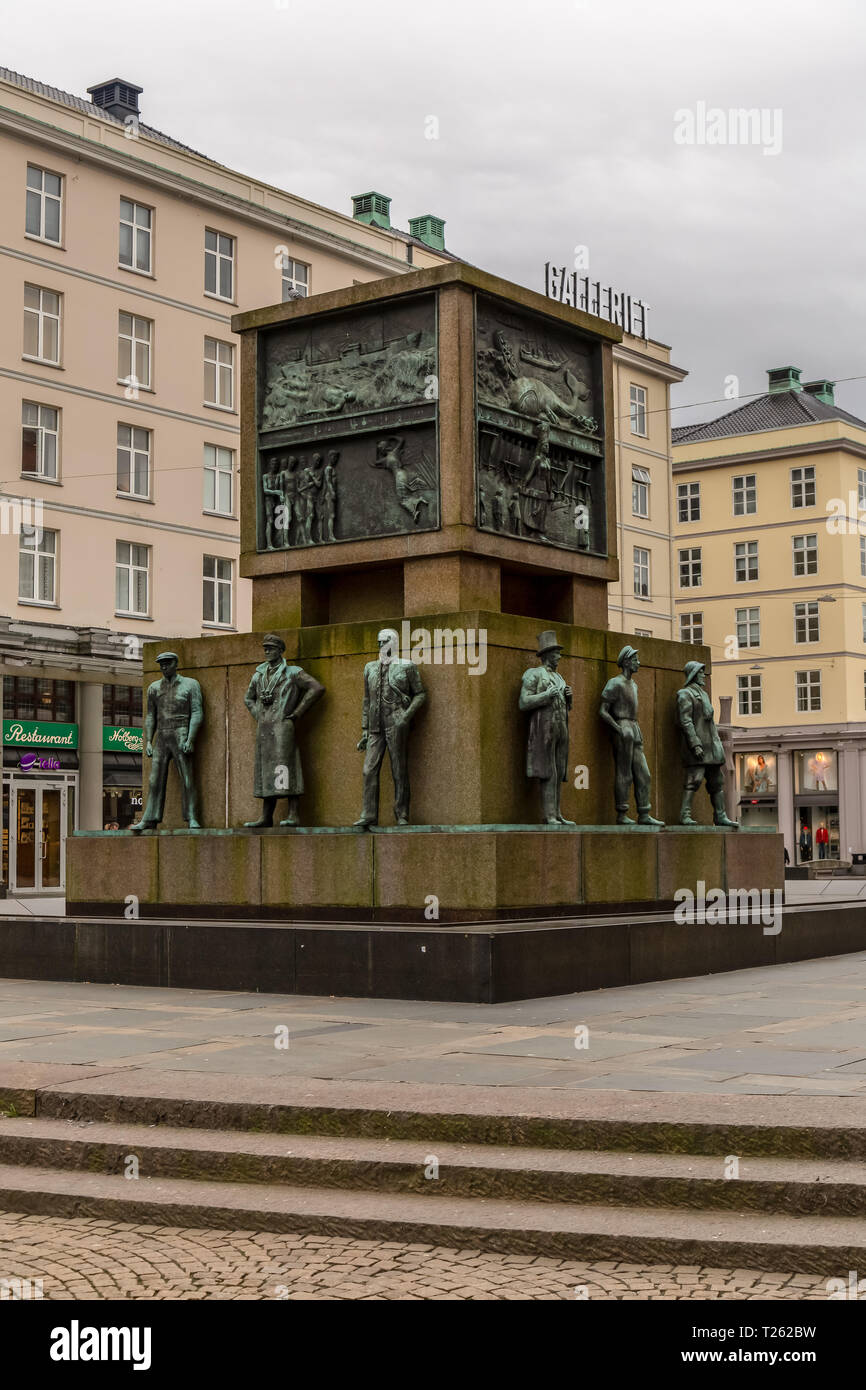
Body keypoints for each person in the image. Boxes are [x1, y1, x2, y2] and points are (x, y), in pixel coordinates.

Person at [243, 634, 324, 828]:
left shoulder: (293, 672)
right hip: (265, 727)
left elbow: (317, 688)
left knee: (285, 767)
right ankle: (266, 816)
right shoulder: (259, 674)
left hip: (283, 725)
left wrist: (297, 713)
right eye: (265, 648)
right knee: (266, 768)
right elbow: (248, 698)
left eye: (271, 648)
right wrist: (259, 715)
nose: (267, 651)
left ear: (280, 650)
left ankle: (293, 813)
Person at [354, 629, 426, 827]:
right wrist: (364, 729)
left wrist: (406, 715)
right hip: (375, 726)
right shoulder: (369, 667)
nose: (381, 645)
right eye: (378, 642)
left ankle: (401, 813)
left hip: (396, 722)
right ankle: (369, 814)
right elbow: (366, 700)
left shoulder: (407, 666)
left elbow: (420, 694)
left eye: (385, 641)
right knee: (368, 770)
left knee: (398, 769)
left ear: (394, 643)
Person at [130, 652, 203, 832]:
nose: (164, 667)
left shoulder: (190, 684)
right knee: (154, 780)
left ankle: (192, 817)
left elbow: (197, 712)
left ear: (176, 664)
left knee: (187, 778)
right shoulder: (154, 688)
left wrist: (190, 738)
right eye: (161, 664)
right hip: (162, 735)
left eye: (167, 663)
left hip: (181, 731)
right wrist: (147, 741)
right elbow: (150, 716)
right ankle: (150, 818)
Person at [599, 645, 663, 826]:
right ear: (626, 662)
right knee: (624, 773)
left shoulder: (633, 684)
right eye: (635, 660)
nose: (638, 663)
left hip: (635, 728)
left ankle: (644, 813)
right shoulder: (615, 683)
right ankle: (622, 813)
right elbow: (602, 711)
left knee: (644, 774)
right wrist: (618, 729)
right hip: (622, 727)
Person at [520, 631, 575, 826]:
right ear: (547, 654)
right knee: (548, 772)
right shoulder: (534, 674)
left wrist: (569, 698)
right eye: (556, 653)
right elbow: (523, 702)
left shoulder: (559, 676)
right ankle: (549, 815)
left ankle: (558, 814)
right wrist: (545, 696)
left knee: (559, 771)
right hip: (544, 727)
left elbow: (564, 704)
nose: (559, 657)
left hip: (561, 727)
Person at [675, 661, 738, 828]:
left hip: (711, 746)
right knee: (693, 780)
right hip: (698, 746)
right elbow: (685, 721)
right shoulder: (684, 694)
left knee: (717, 782)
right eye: (701, 672)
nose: (703, 675)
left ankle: (720, 816)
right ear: (694, 674)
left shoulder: (703, 694)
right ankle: (684, 814)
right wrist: (695, 743)